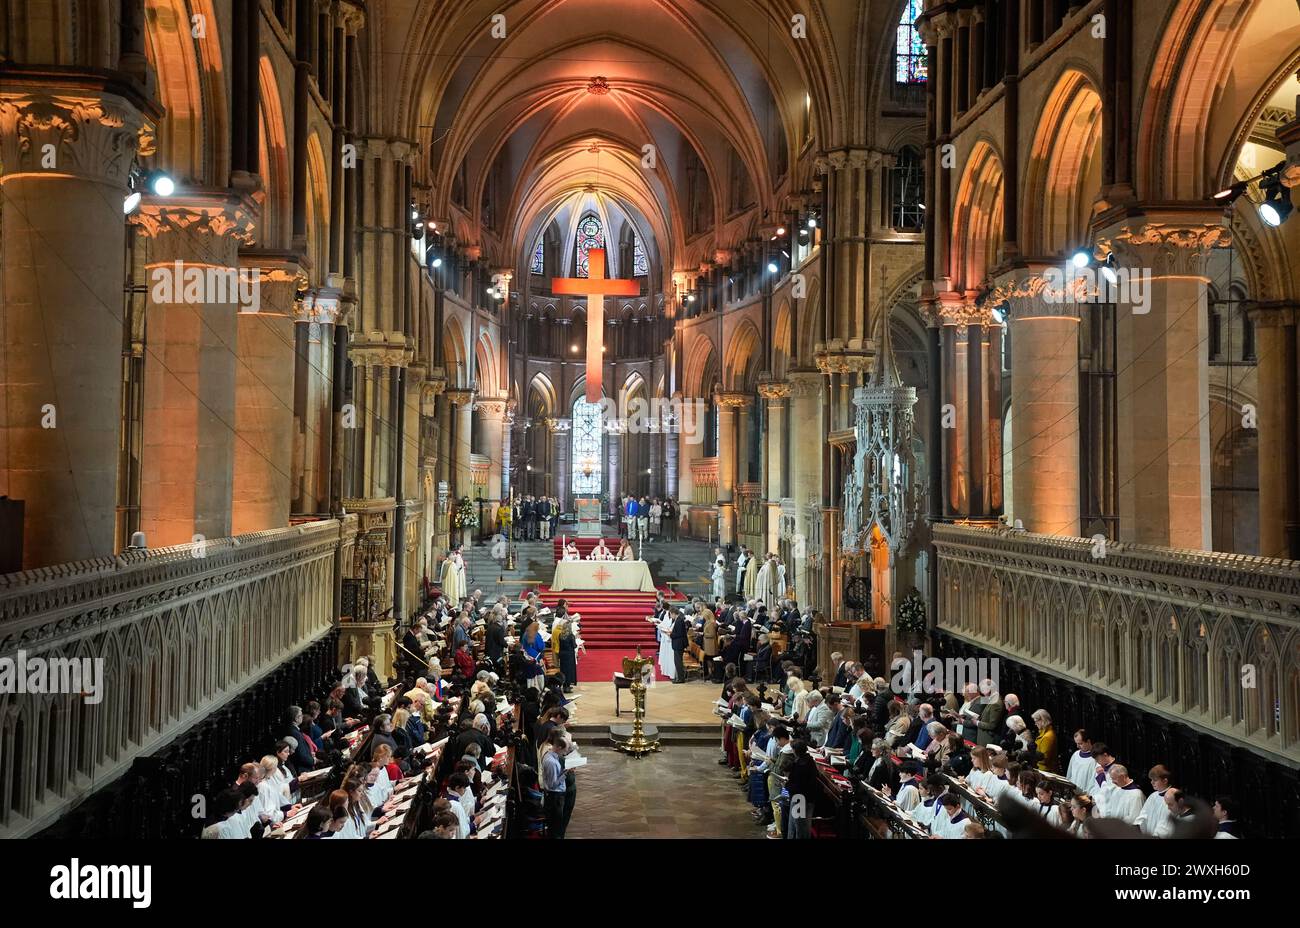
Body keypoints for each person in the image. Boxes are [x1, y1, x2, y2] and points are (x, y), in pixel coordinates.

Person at [541, 730, 568, 838]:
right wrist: (565, 774)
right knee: (555, 826)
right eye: (564, 751)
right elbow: (553, 784)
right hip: (554, 796)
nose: (564, 753)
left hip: (555, 796)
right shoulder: (551, 762)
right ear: (559, 748)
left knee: (557, 824)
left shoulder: (553, 756)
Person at [1136, 765, 1174, 836]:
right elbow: (1144, 814)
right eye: (1151, 779)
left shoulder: (1172, 798)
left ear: (1165, 781)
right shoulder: (1153, 796)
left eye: (1155, 780)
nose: (1152, 782)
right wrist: (1137, 825)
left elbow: (1166, 824)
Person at [553, 618, 579, 693]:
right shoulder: (571, 636)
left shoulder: (560, 635)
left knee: (563, 670)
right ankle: (567, 687)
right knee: (569, 670)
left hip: (562, 654)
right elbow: (574, 645)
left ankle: (564, 685)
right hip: (569, 655)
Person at [655, 608, 677, 681]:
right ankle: (668, 671)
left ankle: (672, 673)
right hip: (668, 640)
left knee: (671, 658)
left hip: (671, 642)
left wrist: (667, 632)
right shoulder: (672, 620)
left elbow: (674, 632)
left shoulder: (677, 621)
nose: (670, 615)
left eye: (671, 614)